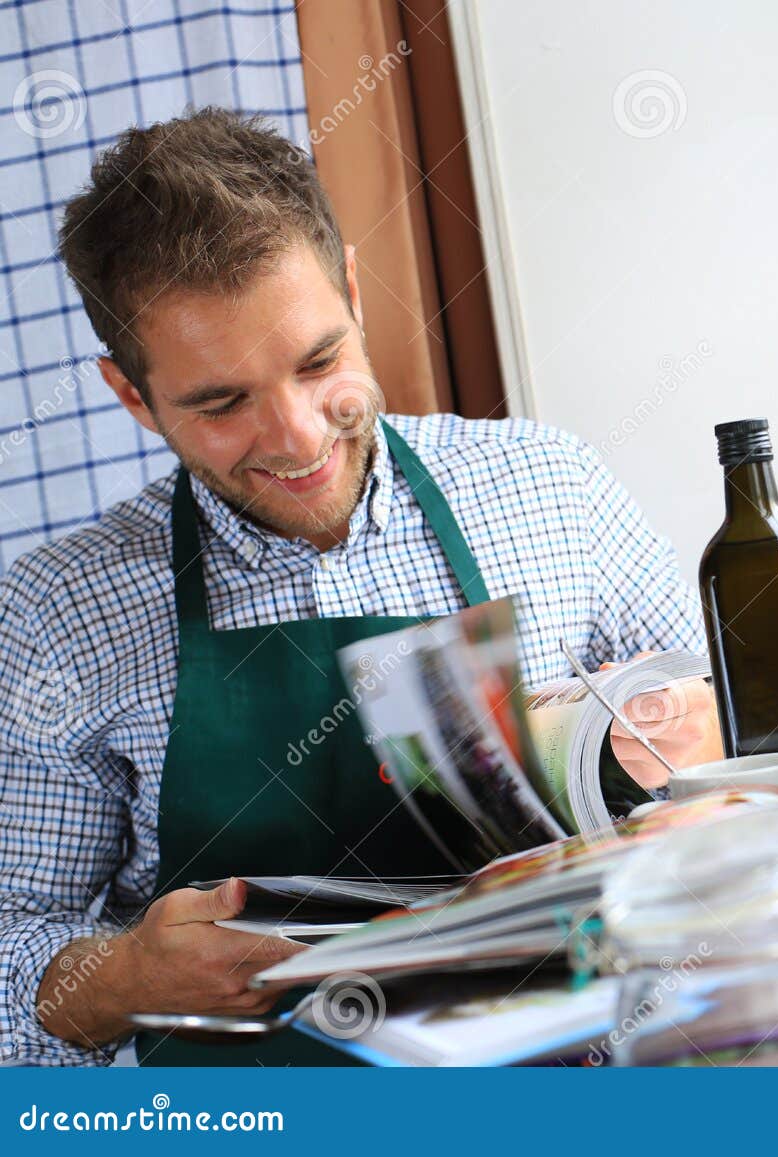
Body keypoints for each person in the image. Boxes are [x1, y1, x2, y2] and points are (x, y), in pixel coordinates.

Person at [0, 108, 713, 1066]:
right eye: (221, 403)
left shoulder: (555, 489)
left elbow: (744, 775)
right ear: (133, 395)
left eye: (318, 361)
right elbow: (12, 934)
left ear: (348, 289)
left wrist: (683, 779)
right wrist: (128, 979)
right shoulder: (59, 615)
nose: (297, 437)